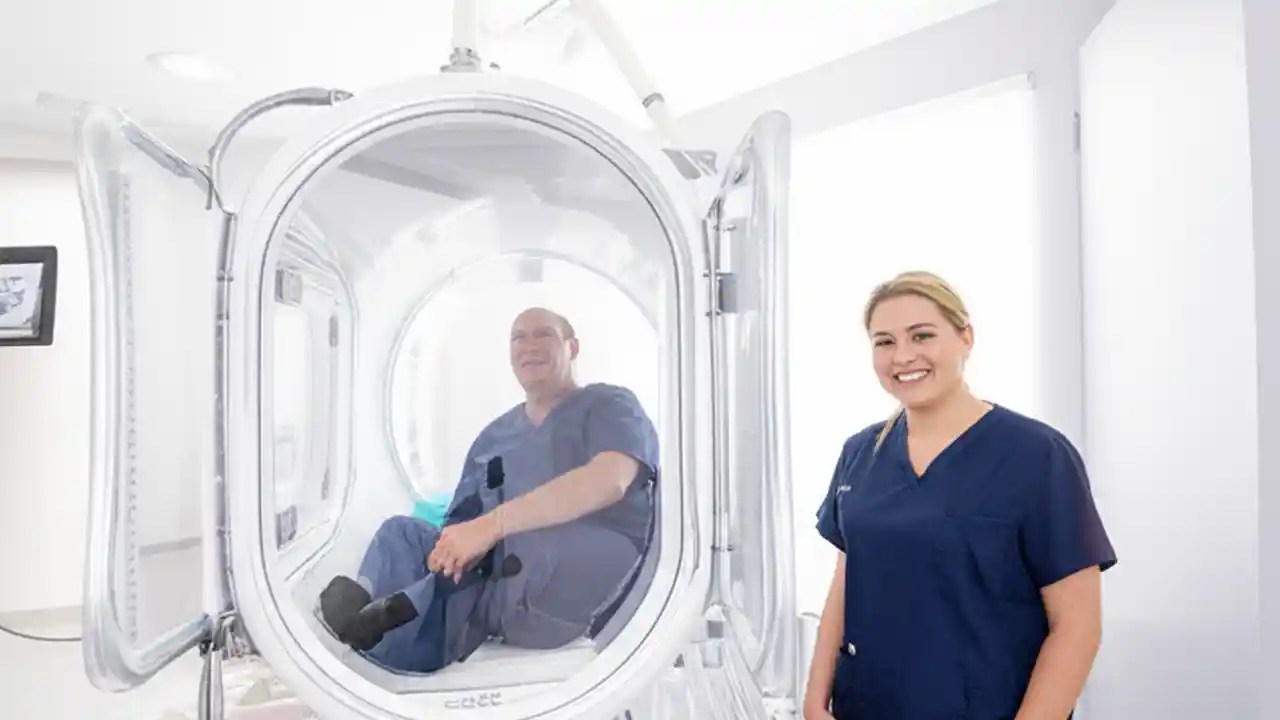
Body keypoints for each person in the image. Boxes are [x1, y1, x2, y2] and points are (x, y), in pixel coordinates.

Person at [803, 271, 1117, 720]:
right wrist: (815, 701)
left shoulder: (1037, 455)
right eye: (884, 342)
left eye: (922, 335)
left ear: (965, 338)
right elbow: (845, 585)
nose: (902, 356)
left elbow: (1077, 627)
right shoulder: (860, 453)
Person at [318, 306, 659, 673]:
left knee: (524, 545)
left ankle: (397, 631)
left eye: (543, 334)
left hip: (574, 580)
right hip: (498, 579)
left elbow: (608, 481)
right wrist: (450, 550)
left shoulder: (611, 405)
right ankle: (367, 607)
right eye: (518, 338)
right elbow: (460, 524)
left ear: (572, 347)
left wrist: (491, 527)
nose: (529, 346)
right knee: (401, 533)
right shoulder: (494, 438)